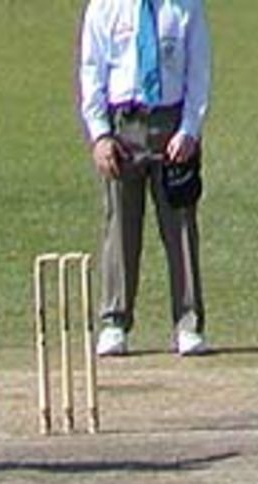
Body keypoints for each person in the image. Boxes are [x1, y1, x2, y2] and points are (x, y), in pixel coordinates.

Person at [78, 0, 212, 357]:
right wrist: (100, 135)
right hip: (124, 124)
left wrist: (189, 130)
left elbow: (198, 73)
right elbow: (92, 71)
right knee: (120, 227)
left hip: (171, 124)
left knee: (180, 227)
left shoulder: (185, 7)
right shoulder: (104, 7)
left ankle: (188, 322)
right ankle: (115, 321)